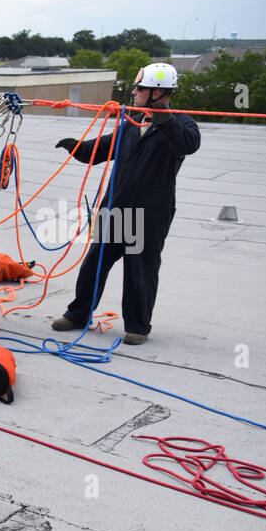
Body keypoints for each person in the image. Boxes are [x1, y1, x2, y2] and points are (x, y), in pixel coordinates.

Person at [51, 62, 200, 345]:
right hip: (116, 208)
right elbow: (98, 151)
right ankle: (78, 315)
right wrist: (76, 146)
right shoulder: (131, 124)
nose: (133, 92)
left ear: (156, 93)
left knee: (140, 269)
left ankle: (137, 326)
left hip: (150, 213)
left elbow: (188, 144)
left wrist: (164, 119)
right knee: (94, 263)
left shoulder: (181, 124)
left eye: (139, 88)